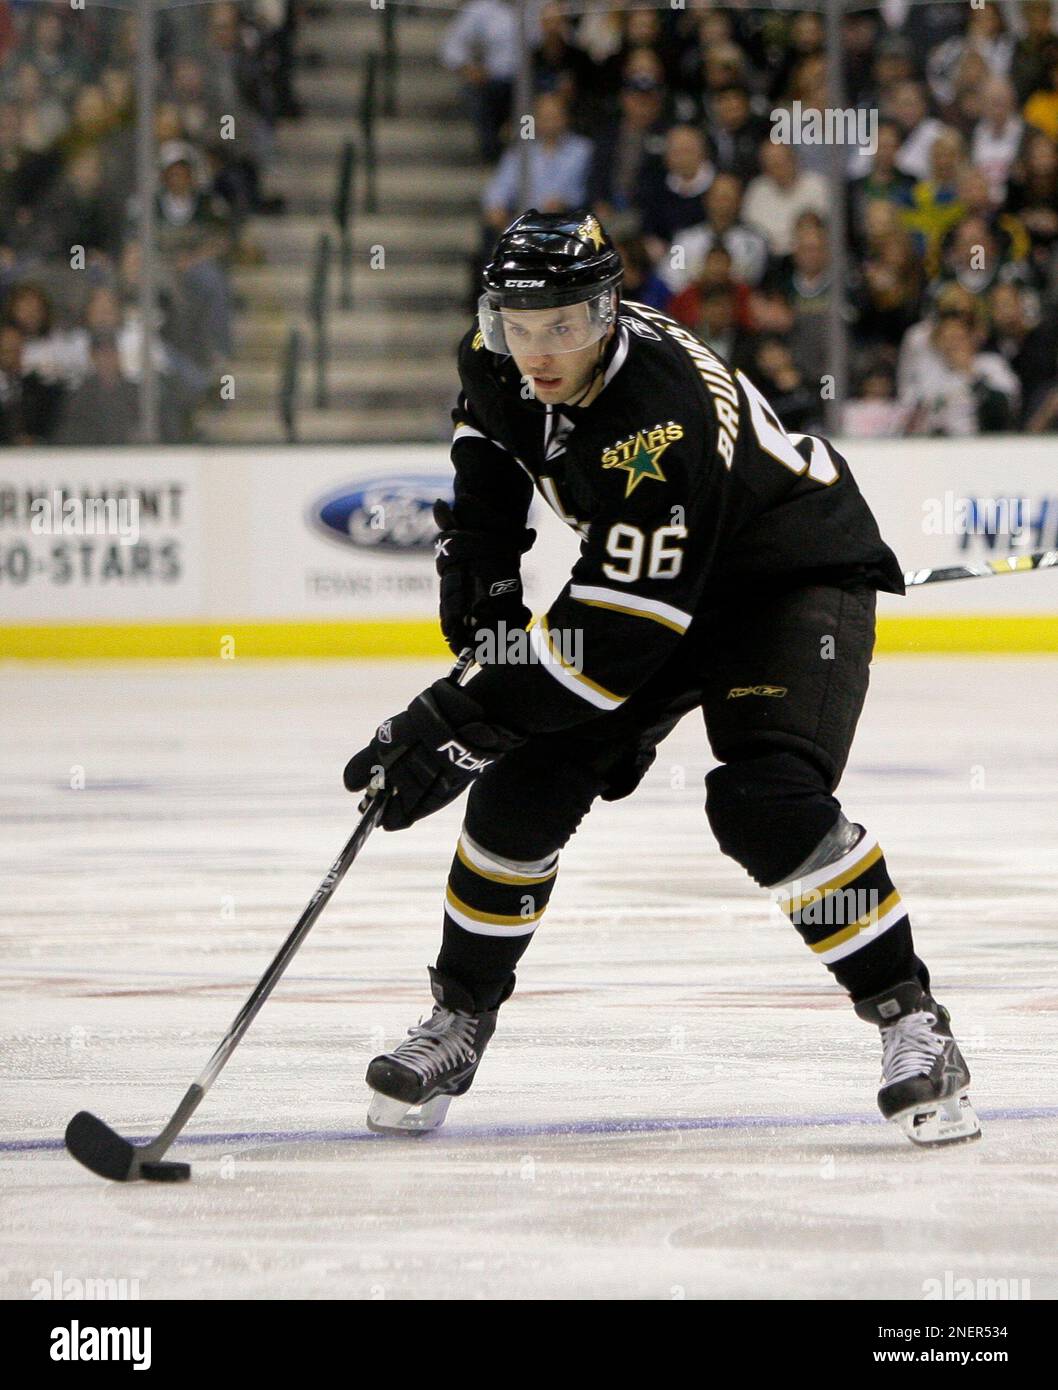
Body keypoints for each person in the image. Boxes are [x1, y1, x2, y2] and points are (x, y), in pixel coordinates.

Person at [343, 211, 981, 1149]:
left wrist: (459, 717)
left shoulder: (659, 411)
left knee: (766, 802)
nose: (539, 351)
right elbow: (487, 486)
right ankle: (458, 1018)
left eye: (564, 325)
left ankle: (911, 1020)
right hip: (653, 588)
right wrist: (484, 610)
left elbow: (609, 649)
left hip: (786, 581)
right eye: (519, 326)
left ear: (607, 313)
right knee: (523, 788)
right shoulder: (495, 363)